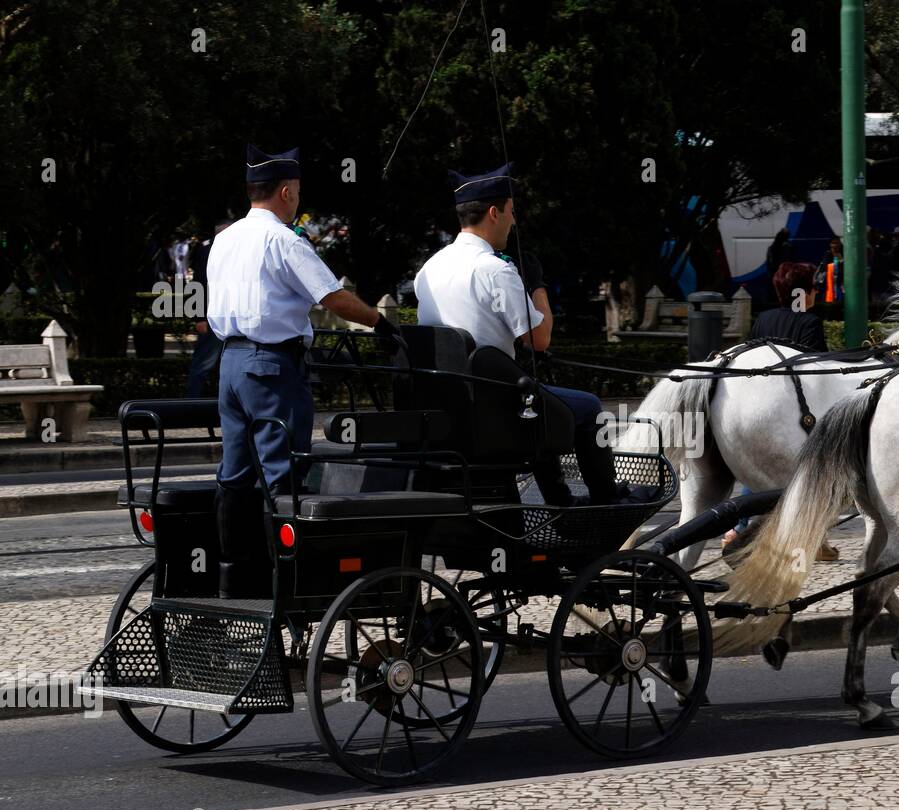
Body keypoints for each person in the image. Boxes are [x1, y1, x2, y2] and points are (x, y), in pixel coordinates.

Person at [206, 145, 398, 598]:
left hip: (229, 365)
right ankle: (289, 584)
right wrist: (382, 322)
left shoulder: (225, 238)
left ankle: (233, 577)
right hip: (271, 367)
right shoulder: (284, 240)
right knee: (284, 474)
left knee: (234, 474)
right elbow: (332, 296)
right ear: (287, 191)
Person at [414, 163, 638, 507]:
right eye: (511, 212)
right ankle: (606, 503)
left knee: (542, 398)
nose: (514, 221)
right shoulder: (494, 270)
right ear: (493, 213)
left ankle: (561, 501)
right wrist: (537, 284)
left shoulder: (428, 270)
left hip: (449, 407)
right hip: (495, 408)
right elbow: (539, 339)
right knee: (589, 407)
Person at [720, 260, 838, 561]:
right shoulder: (809, 323)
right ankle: (810, 538)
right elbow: (818, 371)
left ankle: (738, 527)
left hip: (756, 407)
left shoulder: (765, 319)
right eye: (813, 287)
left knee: (756, 466)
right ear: (804, 293)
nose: (814, 292)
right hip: (796, 413)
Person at [185, 219, 231, 397]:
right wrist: (199, 317)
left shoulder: (229, 251)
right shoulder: (208, 250)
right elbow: (199, 284)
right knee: (203, 362)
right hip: (213, 316)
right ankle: (192, 402)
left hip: (229, 316)